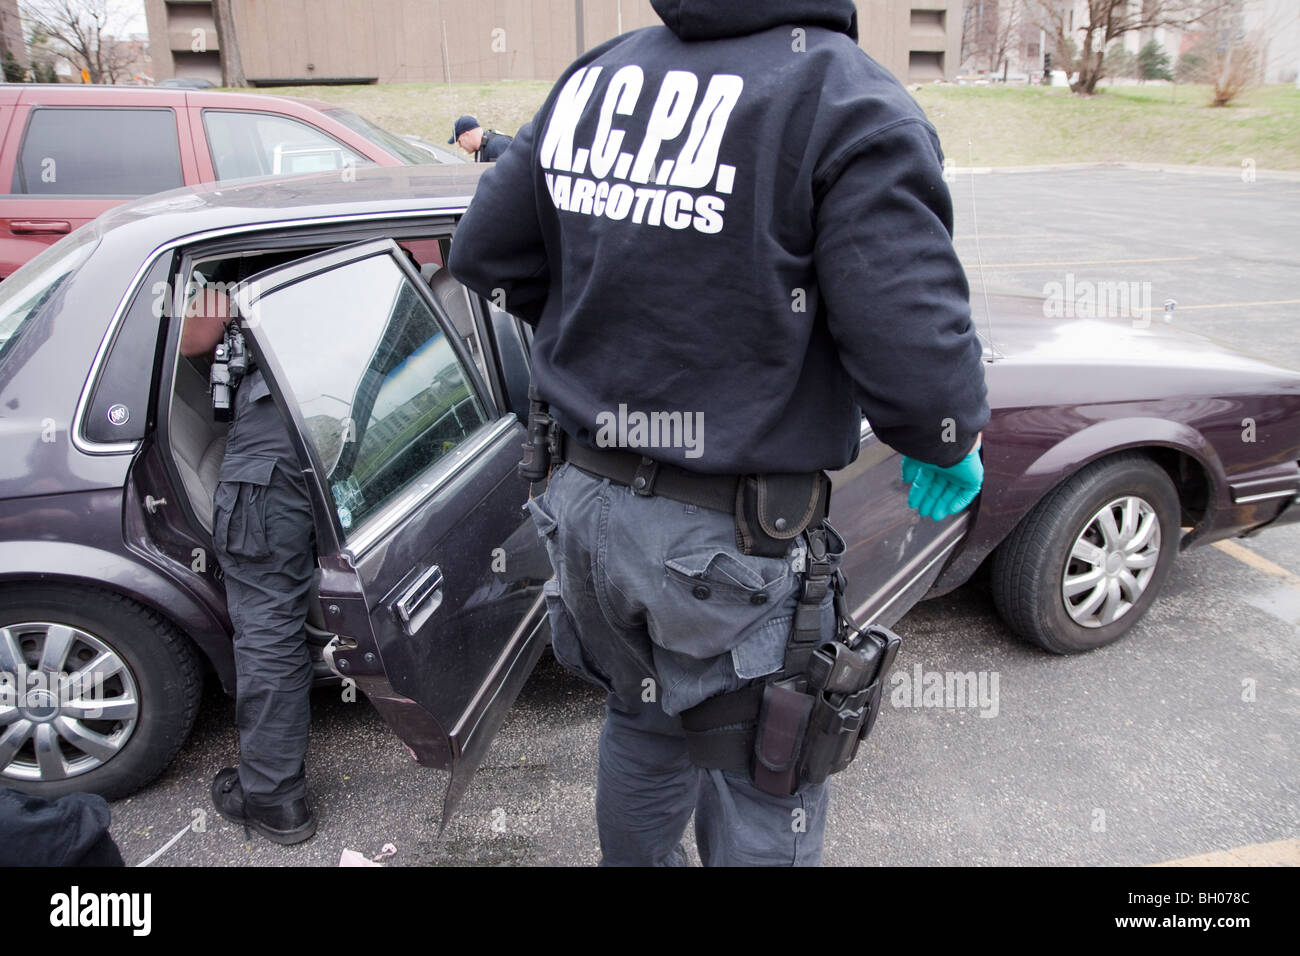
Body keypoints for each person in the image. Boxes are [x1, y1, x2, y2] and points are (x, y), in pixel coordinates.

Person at [449, 0, 988, 866]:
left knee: (646, 718)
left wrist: (600, 344)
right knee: (764, 770)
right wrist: (947, 438)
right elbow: (913, 345)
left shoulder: (599, 77)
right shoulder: (843, 95)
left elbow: (484, 253)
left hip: (584, 507)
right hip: (724, 542)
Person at [180, 282, 318, 845]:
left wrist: (218, 292)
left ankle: (274, 798)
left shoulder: (260, 244)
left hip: (271, 448)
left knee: (268, 627)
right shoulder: (348, 252)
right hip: (321, 417)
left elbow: (192, 336)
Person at [447, 114, 513, 162]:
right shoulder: (481, 150)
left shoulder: (498, 145)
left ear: (467, 135)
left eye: (459, 141)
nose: (460, 146)